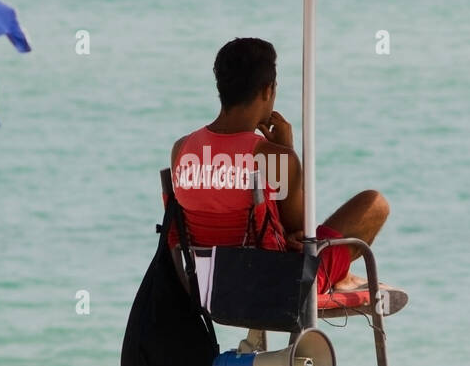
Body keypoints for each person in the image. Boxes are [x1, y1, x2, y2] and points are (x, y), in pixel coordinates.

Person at [170, 37, 406, 307]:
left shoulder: (182, 149)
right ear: (267, 90)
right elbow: (302, 237)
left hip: (210, 288)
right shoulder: (272, 157)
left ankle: (341, 276)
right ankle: (340, 277)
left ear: (221, 87)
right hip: (274, 287)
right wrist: (287, 150)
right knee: (374, 203)